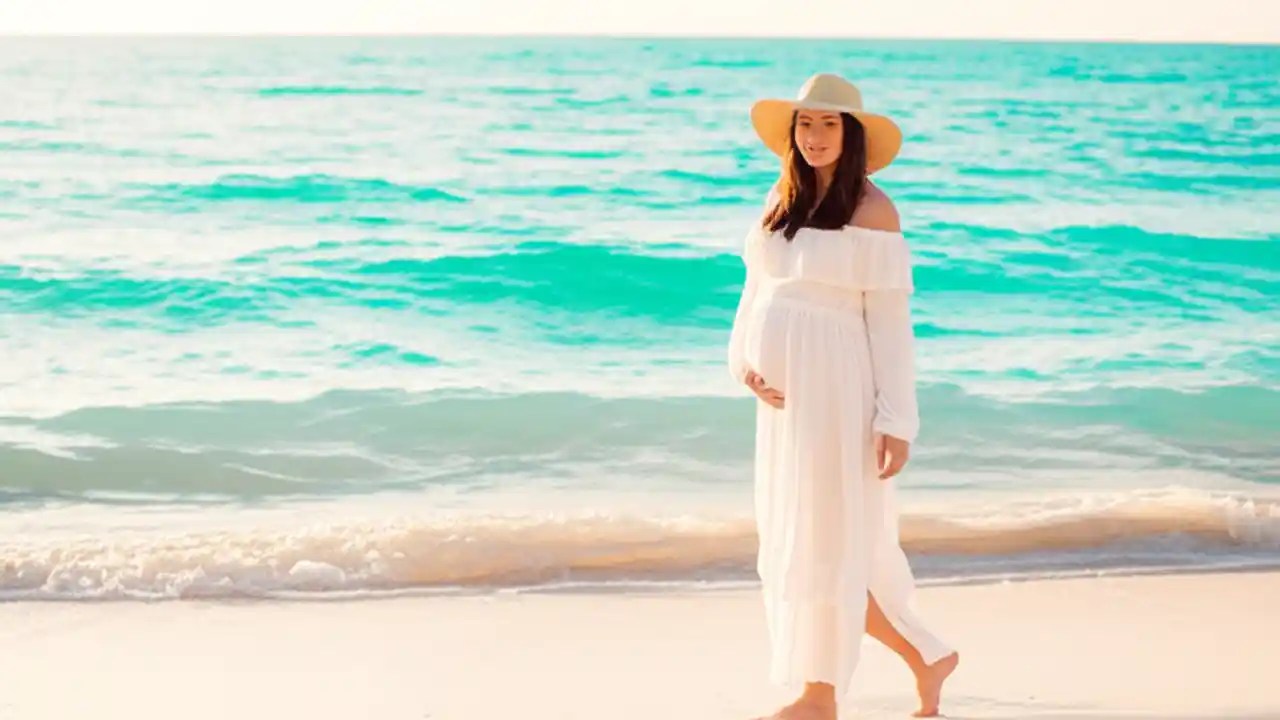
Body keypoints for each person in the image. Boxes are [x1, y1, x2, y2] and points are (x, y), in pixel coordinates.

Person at [727, 73, 960, 719]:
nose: (816, 136)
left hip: (838, 388)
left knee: (831, 541)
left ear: (851, 135)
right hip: (782, 401)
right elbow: (756, 290)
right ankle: (919, 659)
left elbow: (890, 327)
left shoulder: (873, 210)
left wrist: (897, 420)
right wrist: (743, 360)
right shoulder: (782, 197)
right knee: (796, 538)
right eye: (806, 124)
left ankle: (823, 693)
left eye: (830, 125)